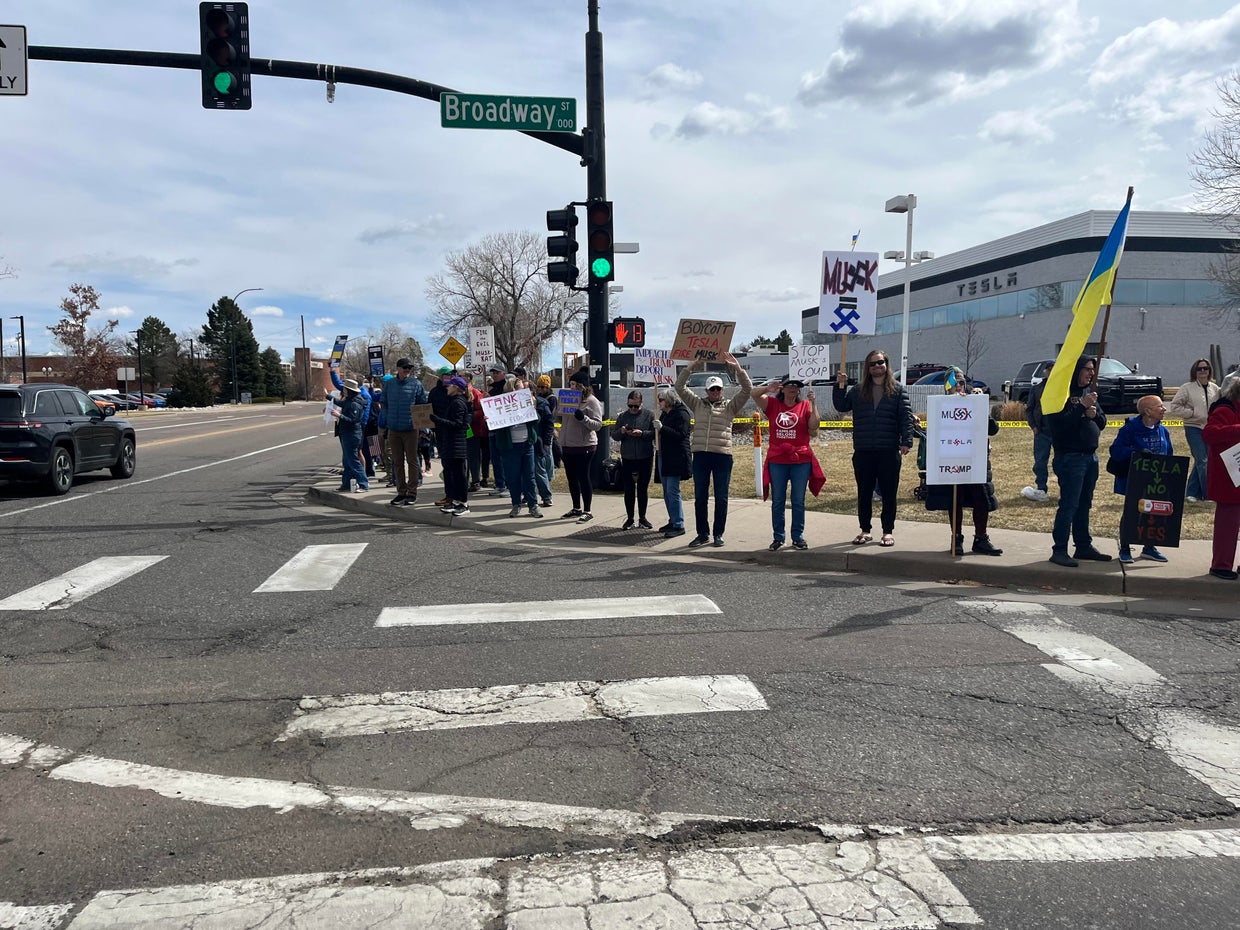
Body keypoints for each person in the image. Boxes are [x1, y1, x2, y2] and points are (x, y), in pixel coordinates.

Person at [833, 349, 912, 547]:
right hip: (864, 450)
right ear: (867, 368)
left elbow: (906, 417)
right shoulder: (858, 390)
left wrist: (906, 441)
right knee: (864, 493)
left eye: (880, 362)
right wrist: (840, 385)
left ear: (886, 364)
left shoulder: (898, 390)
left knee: (888, 492)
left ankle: (887, 532)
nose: (877, 366)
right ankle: (865, 530)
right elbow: (841, 406)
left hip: (888, 450)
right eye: (873, 363)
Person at [675, 353, 753, 548]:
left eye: (718, 388)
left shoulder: (730, 406)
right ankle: (702, 534)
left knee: (721, 497)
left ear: (722, 389)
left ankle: (718, 533)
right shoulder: (697, 404)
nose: (715, 391)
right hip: (701, 455)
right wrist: (691, 366)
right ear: (707, 390)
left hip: (722, 456)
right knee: (700, 496)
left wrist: (738, 368)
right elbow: (679, 387)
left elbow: (747, 389)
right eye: (712, 389)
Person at [923, 369, 1003, 556]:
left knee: (981, 499)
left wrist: (981, 407)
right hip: (951, 459)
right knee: (954, 500)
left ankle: (981, 538)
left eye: (961, 383)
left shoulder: (975, 402)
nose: (958, 387)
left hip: (975, 460)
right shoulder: (940, 405)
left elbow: (993, 430)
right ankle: (956, 538)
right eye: (953, 384)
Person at [1045, 355, 1110, 567]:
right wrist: (1081, 406)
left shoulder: (1088, 393)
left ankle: (1083, 546)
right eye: (1087, 369)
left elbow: (1102, 422)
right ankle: (1060, 550)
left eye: (1093, 369)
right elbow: (1058, 425)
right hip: (1070, 458)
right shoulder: (1061, 394)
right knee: (1069, 504)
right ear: (1076, 371)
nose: (1091, 373)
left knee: (1084, 504)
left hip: (1090, 457)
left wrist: (1094, 415)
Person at [752, 376, 823, 551]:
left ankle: (797, 537)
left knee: (798, 500)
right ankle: (778, 537)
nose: (793, 388)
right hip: (778, 460)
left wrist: (814, 404)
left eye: (797, 386)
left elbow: (814, 426)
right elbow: (753, 394)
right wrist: (769, 388)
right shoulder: (773, 405)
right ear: (782, 389)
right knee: (778, 500)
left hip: (800, 460)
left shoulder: (805, 405)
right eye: (789, 385)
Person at [1108, 394, 1173, 564]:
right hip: (1133, 478)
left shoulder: (1163, 430)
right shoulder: (1130, 429)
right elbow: (1116, 451)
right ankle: (1125, 547)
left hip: (1155, 481)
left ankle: (1149, 548)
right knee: (1132, 512)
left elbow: (1169, 454)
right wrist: (1135, 453)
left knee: (1153, 512)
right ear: (1148, 411)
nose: (1164, 409)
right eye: (1160, 406)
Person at [1167, 358, 1220, 503]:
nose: (1203, 371)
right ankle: (1208, 495)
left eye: (1206, 368)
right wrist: (1191, 413)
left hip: (1210, 428)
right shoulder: (1187, 387)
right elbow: (1175, 406)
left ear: (1210, 370)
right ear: (1194, 371)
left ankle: (1191, 492)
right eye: (1199, 369)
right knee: (1203, 461)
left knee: (1202, 460)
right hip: (1193, 428)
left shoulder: (1215, 388)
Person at [1203, 376, 1240, 580]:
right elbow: (1209, 434)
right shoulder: (1224, 410)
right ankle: (1221, 565)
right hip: (1228, 477)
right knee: (1228, 524)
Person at [379, 357, 429, 506]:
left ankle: (412, 493)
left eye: (409, 367)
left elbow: (422, 405)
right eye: (405, 367)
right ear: (398, 368)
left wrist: (422, 426)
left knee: (412, 461)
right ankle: (401, 492)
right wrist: (388, 419)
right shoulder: (390, 385)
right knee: (397, 461)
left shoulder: (416, 384)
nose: (407, 370)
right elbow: (384, 402)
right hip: (394, 429)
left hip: (410, 429)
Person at [494, 377, 542, 518]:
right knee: (513, 478)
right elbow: (494, 426)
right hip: (510, 447)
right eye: (521, 388)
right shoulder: (501, 404)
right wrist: (490, 419)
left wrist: (533, 410)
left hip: (527, 444)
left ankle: (533, 505)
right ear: (513, 389)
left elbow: (537, 421)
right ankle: (516, 504)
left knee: (529, 477)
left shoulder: (529, 400)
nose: (524, 390)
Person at [559, 373, 604, 523]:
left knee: (583, 477)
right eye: (570, 384)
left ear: (581, 385)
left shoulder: (591, 401)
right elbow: (557, 417)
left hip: (584, 446)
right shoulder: (569, 398)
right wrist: (558, 408)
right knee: (571, 478)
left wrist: (583, 418)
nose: (571, 386)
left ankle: (587, 510)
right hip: (567, 445)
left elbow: (598, 424)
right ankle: (576, 507)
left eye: (573, 384)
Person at [610, 390, 656, 529]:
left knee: (642, 488)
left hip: (645, 456)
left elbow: (655, 434)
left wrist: (642, 433)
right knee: (629, 489)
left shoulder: (649, 415)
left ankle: (642, 517)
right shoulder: (623, 416)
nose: (633, 409)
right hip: (628, 457)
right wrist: (622, 432)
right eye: (630, 406)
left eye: (636, 406)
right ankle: (630, 518)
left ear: (641, 404)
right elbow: (615, 435)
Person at [654, 388, 692, 538]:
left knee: (672, 490)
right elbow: (658, 432)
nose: (659, 403)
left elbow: (680, 435)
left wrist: (663, 428)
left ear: (669, 400)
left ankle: (678, 524)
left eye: (661, 400)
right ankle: (673, 519)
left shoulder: (682, 413)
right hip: (664, 455)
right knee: (666, 491)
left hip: (676, 456)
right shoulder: (664, 414)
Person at [432, 376, 472, 516]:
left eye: (449, 386)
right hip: (452, 443)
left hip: (457, 445)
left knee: (460, 475)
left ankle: (463, 503)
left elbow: (458, 425)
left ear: (456, 388)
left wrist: (438, 421)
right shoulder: (454, 401)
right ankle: (455, 501)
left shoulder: (458, 403)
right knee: (454, 474)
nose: (447, 387)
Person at [1020, 359, 1054, 502]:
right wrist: (1033, 426)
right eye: (1049, 369)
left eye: (1054, 369)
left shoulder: (1065, 387)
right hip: (1041, 431)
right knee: (1040, 462)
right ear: (1046, 371)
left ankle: (1066, 489)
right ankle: (1041, 488)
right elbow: (1029, 409)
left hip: (1059, 432)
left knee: (1061, 463)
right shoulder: (1037, 388)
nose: (1051, 371)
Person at [329, 378, 368, 493]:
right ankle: (346, 483)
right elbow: (339, 402)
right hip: (347, 433)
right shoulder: (349, 400)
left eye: (345, 388)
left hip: (352, 434)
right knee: (346, 461)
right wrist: (328, 396)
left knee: (353, 460)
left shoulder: (355, 403)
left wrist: (339, 415)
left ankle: (363, 484)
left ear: (348, 390)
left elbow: (354, 420)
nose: (343, 390)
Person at [533, 375, 557, 508]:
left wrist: (547, 440)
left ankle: (547, 493)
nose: (540, 389)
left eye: (543, 387)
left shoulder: (548, 400)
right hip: (534, 440)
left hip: (541, 439)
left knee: (544, 462)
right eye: (539, 387)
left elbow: (549, 421)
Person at [463, 371, 490, 492]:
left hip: (473, 431)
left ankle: (475, 481)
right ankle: (464, 480)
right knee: (464, 457)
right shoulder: (458, 393)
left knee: (473, 457)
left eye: (462, 376)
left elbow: (482, 410)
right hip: (461, 430)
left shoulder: (475, 393)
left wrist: (468, 416)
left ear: (468, 378)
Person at [486, 364, 510, 497]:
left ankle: (507, 484)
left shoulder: (506, 388)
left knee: (504, 458)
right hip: (492, 428)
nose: (494, 375)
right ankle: (500, 484)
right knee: (495, 458)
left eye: (497, 372)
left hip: (504, 429)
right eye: (493, 373)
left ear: (503, 373)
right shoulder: (492, 389)